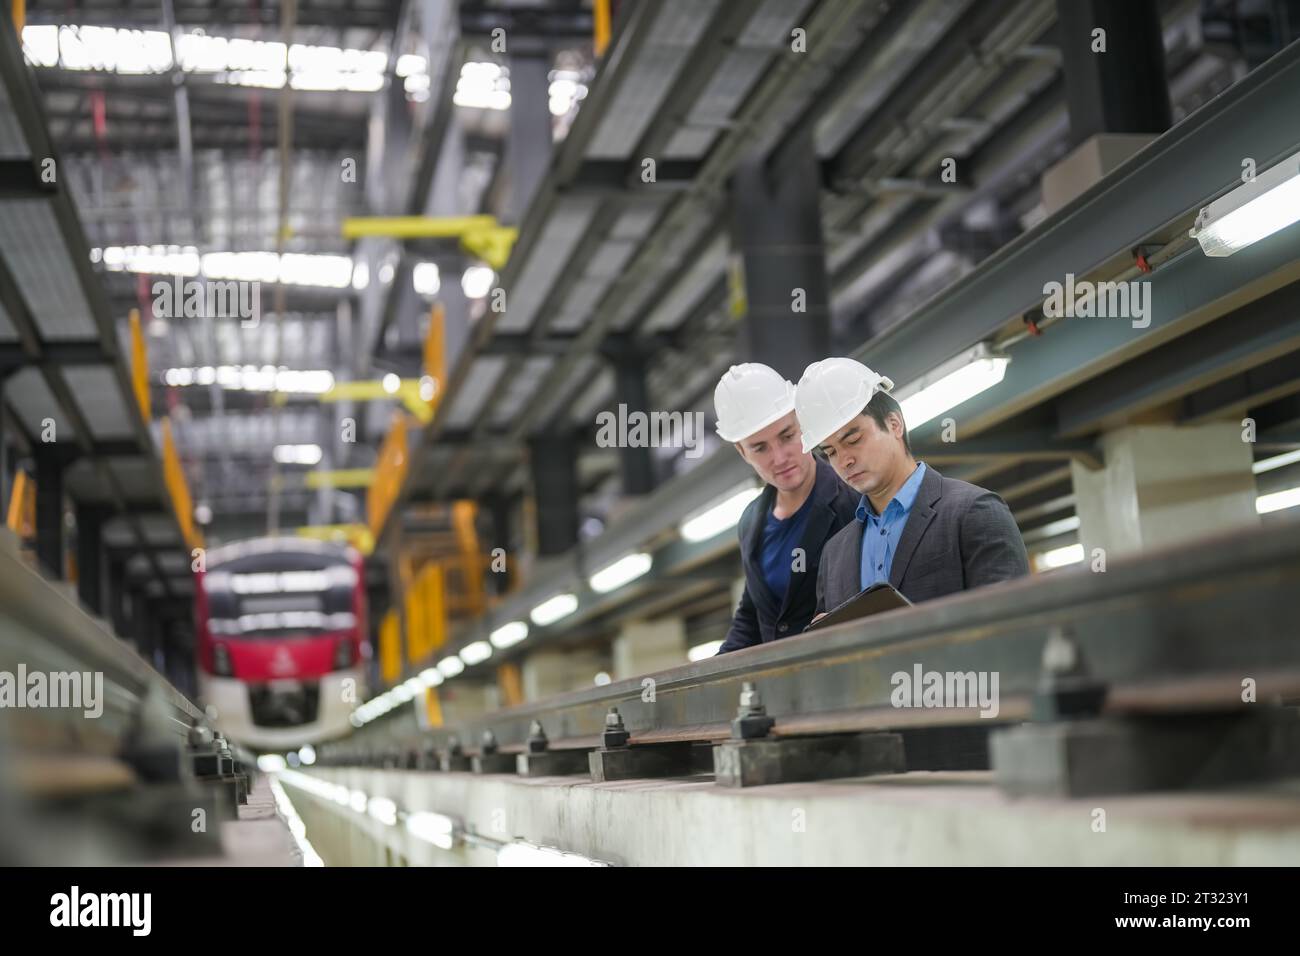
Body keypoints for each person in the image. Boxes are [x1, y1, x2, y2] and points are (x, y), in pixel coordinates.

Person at [794, 357, 1028, 617]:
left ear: (894, 424)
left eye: (854, 439)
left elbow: (1011, 627)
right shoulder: (833, 554)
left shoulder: (974, 511)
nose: (844, 460)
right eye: (830, 452)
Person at [712, 364, 859, 653]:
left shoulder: (851, 499)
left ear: (801, 422)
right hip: (782, 688)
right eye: (760, 448)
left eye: (787, 436)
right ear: (742, 452)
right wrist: (709, 675)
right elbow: (754, 613)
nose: (779, 458)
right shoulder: (751, 520)